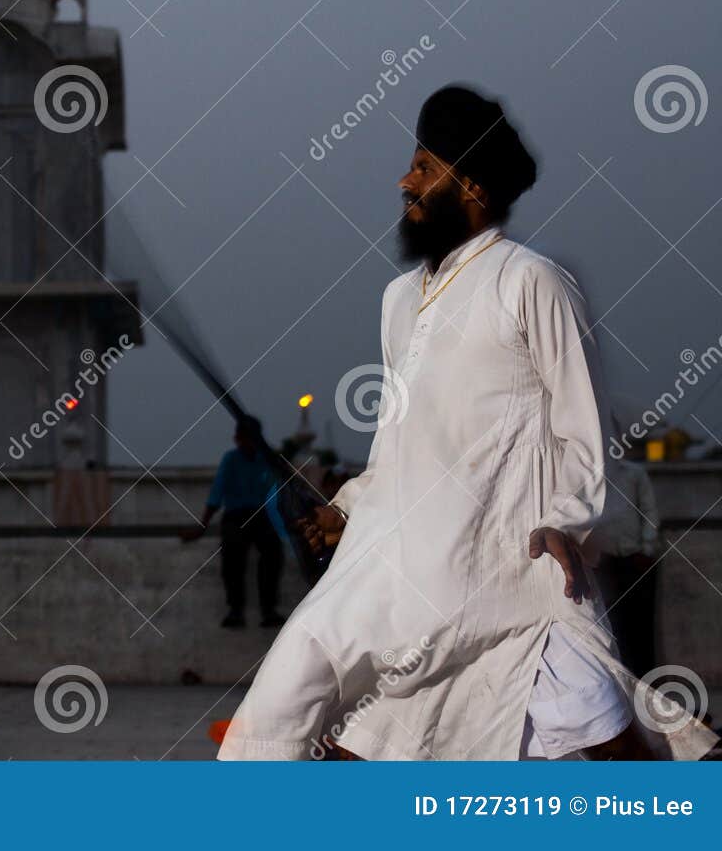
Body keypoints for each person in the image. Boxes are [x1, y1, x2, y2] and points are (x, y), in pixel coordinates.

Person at [218, 85, 716, 761]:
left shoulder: (531, 281)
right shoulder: (398, 302)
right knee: (277, 717)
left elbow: (581, 427)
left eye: (424, 167)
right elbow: (396, 442)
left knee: (607, 746)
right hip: (395, 570)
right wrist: (347, 505)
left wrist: (565, 520)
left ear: (473, 186)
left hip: (506, 572)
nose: (405, 180)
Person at [191, 416, 286, 628]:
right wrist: (203, 524)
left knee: (273, 552)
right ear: (237, 439)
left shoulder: (268, 460)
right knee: (232, 554)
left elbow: (279, 491)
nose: (249, 443)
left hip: (262, 516)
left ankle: (268, 609)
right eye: (245, 438)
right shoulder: (231, 460)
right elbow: (216, 494)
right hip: (236, 516)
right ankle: (235, 609)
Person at [590, 456, 661, 677]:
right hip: (601, 564)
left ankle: (645, 684)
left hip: (635, 561)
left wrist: (646, 549)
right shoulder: (588, 474)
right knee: (608, 627)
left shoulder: (634, 472)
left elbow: (650, 512)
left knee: (640, 628)